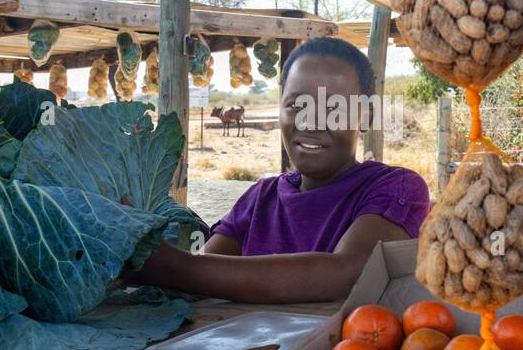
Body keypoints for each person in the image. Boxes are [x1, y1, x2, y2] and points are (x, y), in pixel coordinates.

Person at [122, 37, 430, 303]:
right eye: (296, 105)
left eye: (333, 108)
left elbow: (346, 273)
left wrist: (169, 266)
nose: (310, 122)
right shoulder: (260, 199)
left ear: (367, 115)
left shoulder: (396, 188)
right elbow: (203, 276)